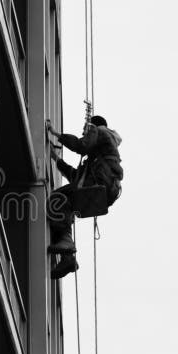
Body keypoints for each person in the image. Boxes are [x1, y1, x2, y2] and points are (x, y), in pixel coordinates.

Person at [47, 115, 123, 278]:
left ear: (92, 126)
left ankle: (66, 243)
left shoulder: (99, 130)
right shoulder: (101, 158)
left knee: (57, 198)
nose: (85, 133)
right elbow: (76, 178)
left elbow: (81, 146)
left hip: (100, 184)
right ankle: (68, 258)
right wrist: (57, 160)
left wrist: (56, 133)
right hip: (106, 189)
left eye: (86, 130)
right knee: (64, 202)